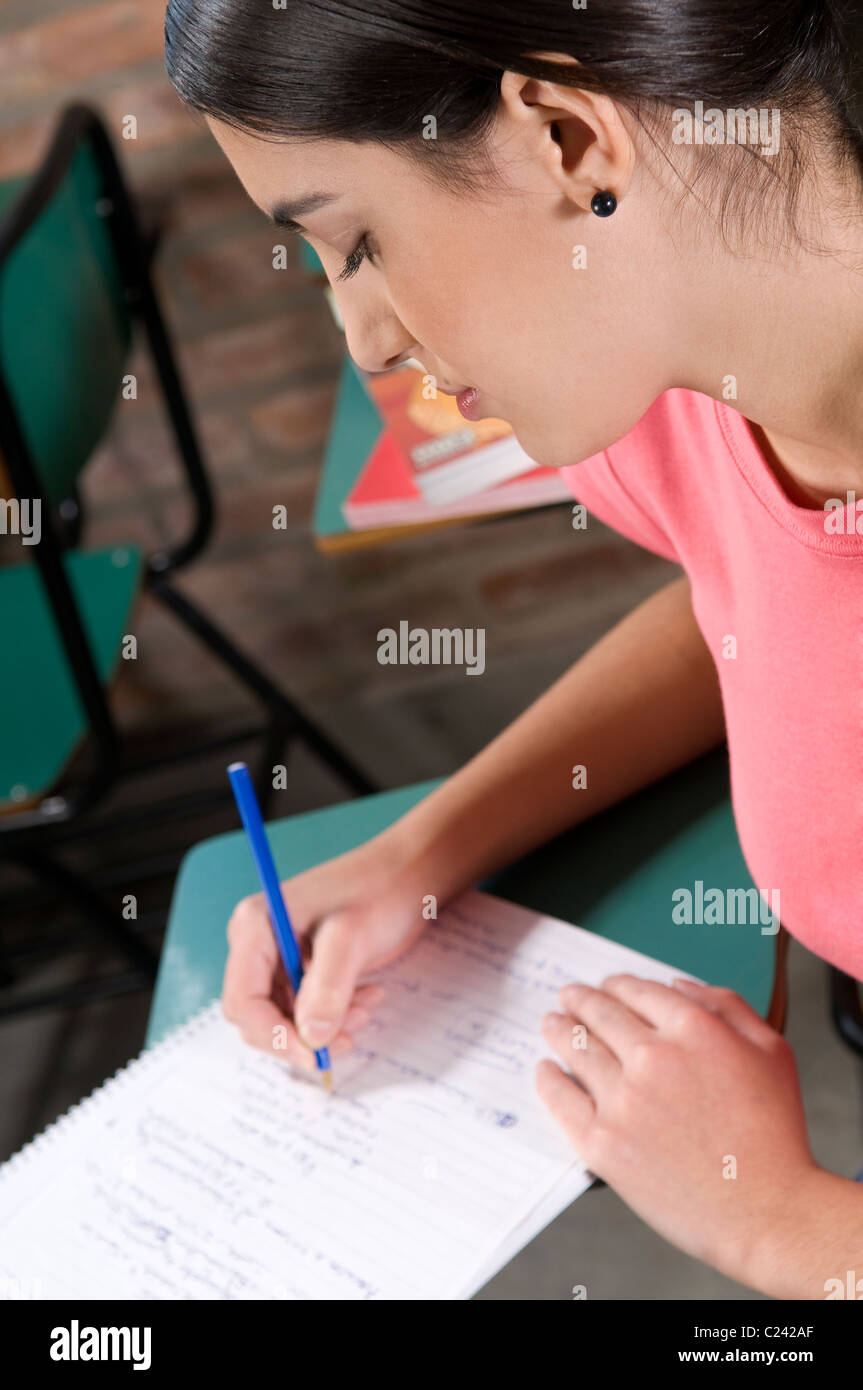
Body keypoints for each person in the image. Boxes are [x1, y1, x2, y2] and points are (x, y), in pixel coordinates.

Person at [164, 0, 863, 1297]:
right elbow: (753, 608)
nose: (363, 337)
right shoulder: (683, 395)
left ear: (566, 136)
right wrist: (421, 855)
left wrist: (778, 1217)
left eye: (357, 243)